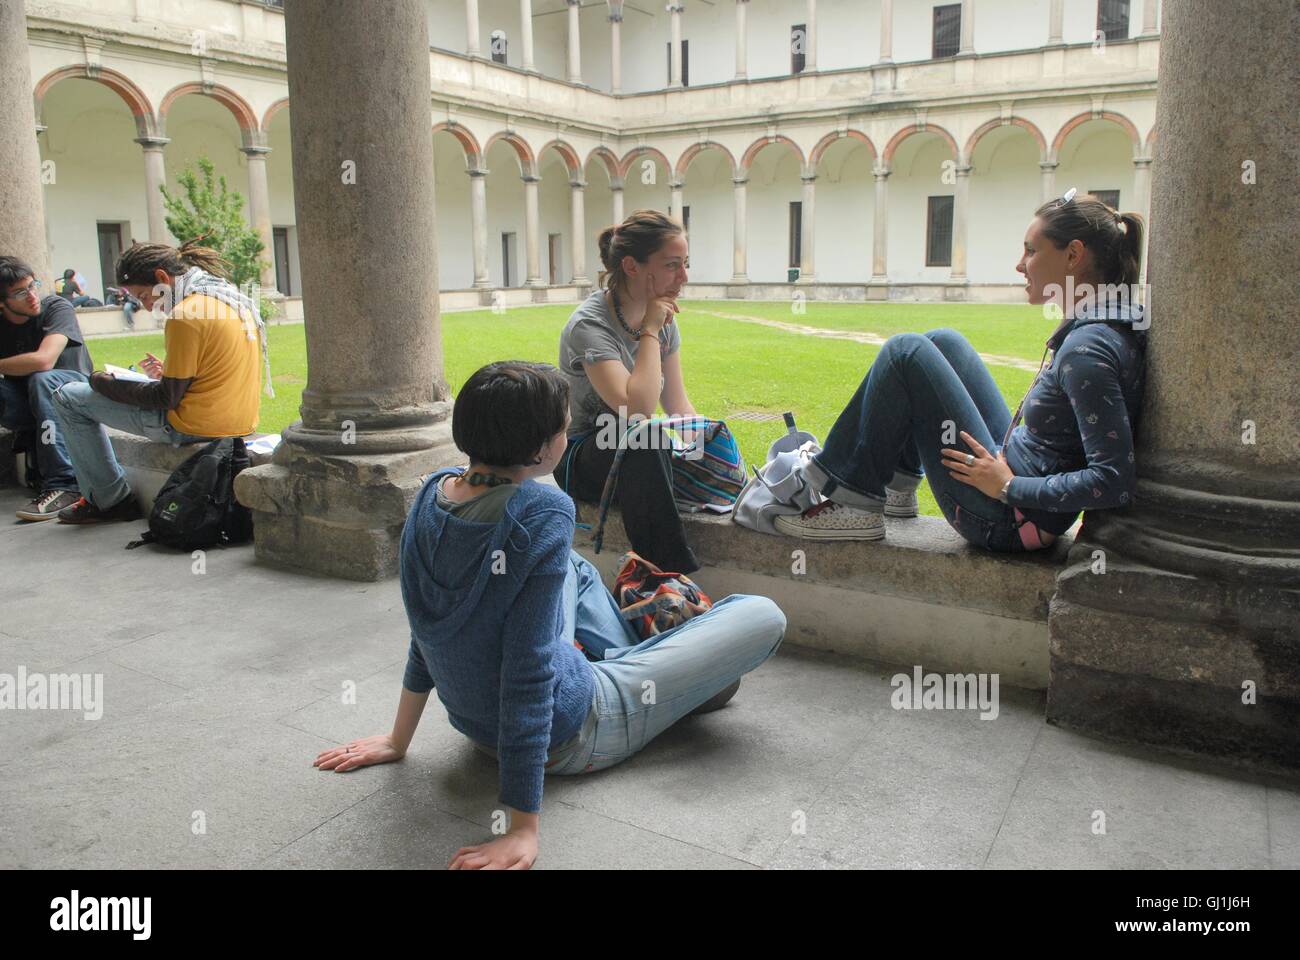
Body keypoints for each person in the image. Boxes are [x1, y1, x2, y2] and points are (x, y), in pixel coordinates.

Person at [314, 361, 786, 870]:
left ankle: (652, 673)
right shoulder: (543, 512)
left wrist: (397, 739)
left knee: (572, 567)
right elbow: (528, 671)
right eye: (563, 428)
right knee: (761, 614)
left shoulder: (431, 494)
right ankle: (662, 685)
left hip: (480, 728)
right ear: (541, 449)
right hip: (574, 731)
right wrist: (521, 828)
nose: (567, 436)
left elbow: (428, 624)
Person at [775, 191, 1147, 552]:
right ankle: (897, 486)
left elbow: (1112, 481)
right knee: (943, 340)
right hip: (1014, 471)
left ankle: (854, 502)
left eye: (1031, 251)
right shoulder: (1105, 323)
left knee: (905, 351)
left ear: (1074, 255)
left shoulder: (1087, 349)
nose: (1020, 264)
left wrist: (1007, 487)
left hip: (1006, 518)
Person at [48, 237, 272, 524]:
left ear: (162, 278)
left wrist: (103, 382)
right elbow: (212, 370)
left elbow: (166, 398)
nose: (145, 305)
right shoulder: (224, 298)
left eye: (143, 296)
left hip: (193, 426)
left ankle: (109, 500)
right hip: (239, 422)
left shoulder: (185, 314)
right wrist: (166, 371)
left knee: (67, 397)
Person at [553, 209, 705, 574]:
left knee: (673, 443)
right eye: (671, 265)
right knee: (646, 438)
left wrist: (706, 439)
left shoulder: (662, 319)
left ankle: (662, 580)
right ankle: (669, 577)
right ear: (632, 266)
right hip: (583, 456)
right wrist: (651, 330)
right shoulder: (589, 325)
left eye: (685, 264)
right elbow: (635, 410)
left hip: (634, 448)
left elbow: (677, 406)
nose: (683, 277)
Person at [0, 257, 94, 521]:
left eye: (33, 285)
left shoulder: (56, 307)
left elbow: (44, 361)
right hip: (30, 405)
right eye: (20, 292)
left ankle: (65, 483)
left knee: (42, 379)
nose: (32, 296)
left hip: (73, 397)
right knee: (35, 384)